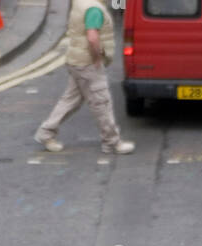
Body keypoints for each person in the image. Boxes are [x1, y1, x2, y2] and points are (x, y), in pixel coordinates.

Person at [34, 0, 135, 157]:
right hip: (88, 64)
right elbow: (92, 37)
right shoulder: (93, 9)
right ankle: (112, 142)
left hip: (76, 60)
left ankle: (46, 133)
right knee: (102, 102)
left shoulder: (81, 2)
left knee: (70, 100)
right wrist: (97, 58)